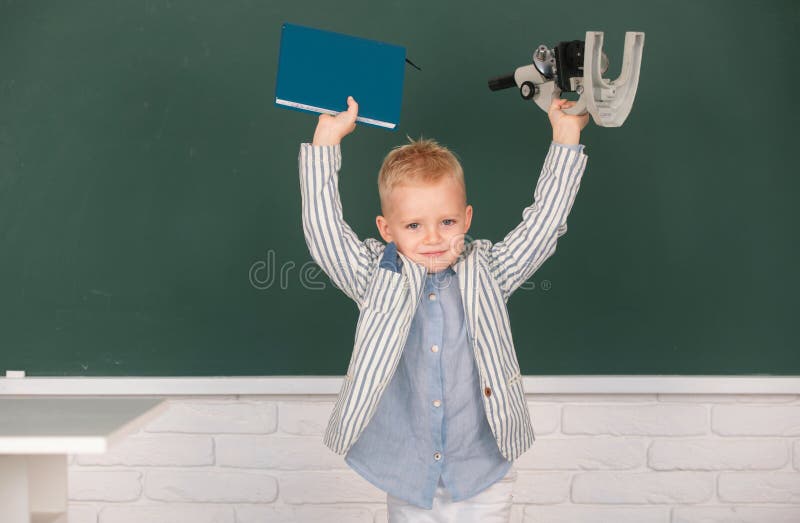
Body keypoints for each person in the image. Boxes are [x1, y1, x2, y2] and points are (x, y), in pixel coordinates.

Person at [298, 95, 589, 521]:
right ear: (387, 230)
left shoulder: (490, 271)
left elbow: (543, 225)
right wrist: (326, 141)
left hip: (482, 469)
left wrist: (566, 136)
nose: (433, 238)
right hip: (409, 472)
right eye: (414, 225)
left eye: (447, 222)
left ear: (467, 219)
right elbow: (324, 233)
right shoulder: (375, 275)